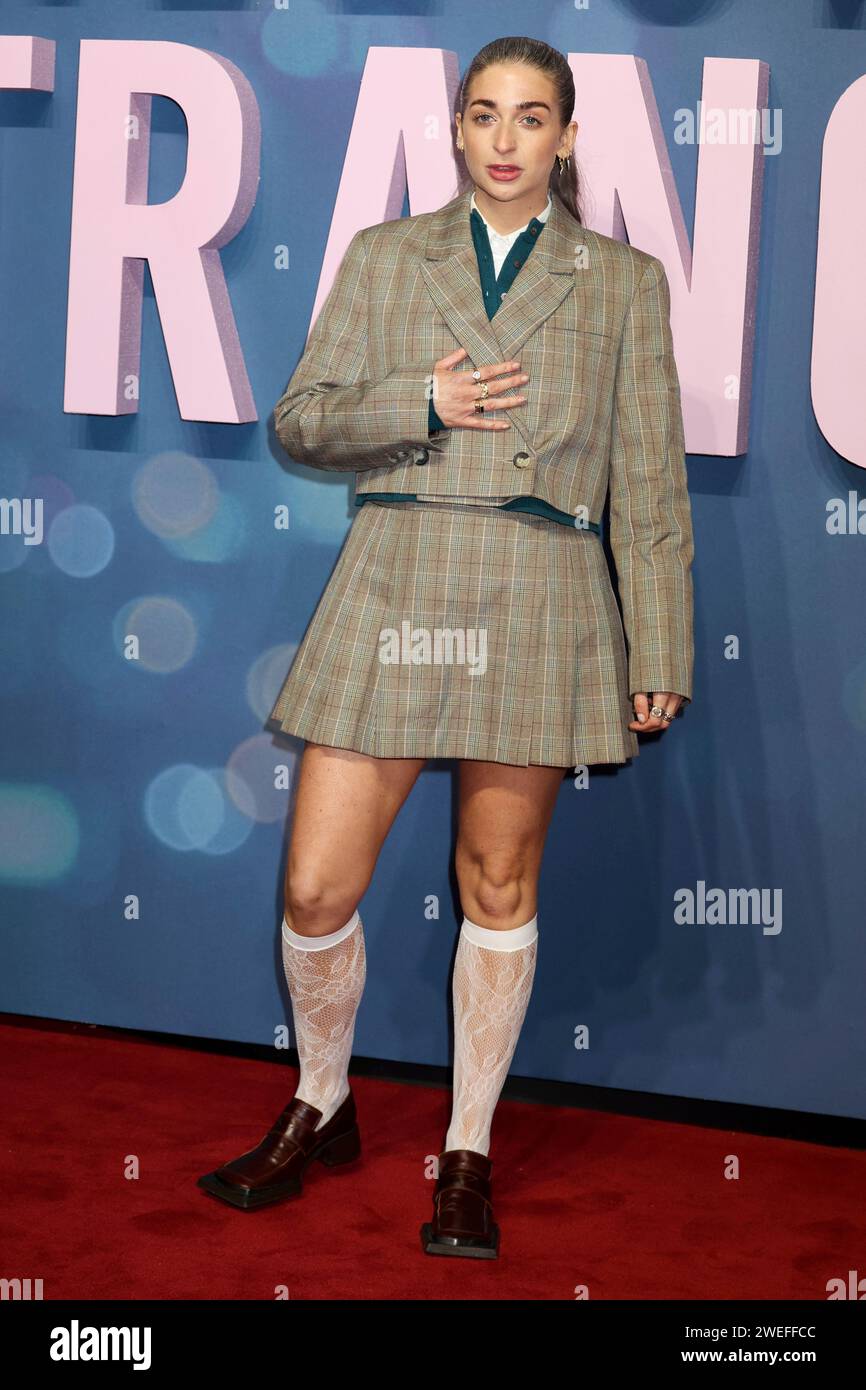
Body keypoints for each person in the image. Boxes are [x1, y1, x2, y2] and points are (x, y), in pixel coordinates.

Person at [197, 35, 694, 1261]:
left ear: (567, 136)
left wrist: (660, 639)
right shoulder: (384, 256)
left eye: (533, 116)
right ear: (457, 129)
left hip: (539, 586)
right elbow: (301, 423)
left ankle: (464, 1148)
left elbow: (650, 483)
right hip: (397, 572)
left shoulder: (621, 280)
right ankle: (321, 1097)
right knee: (316, 883)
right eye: (485, 114)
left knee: (496, 885)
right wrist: (416, 402)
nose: (508, 138)